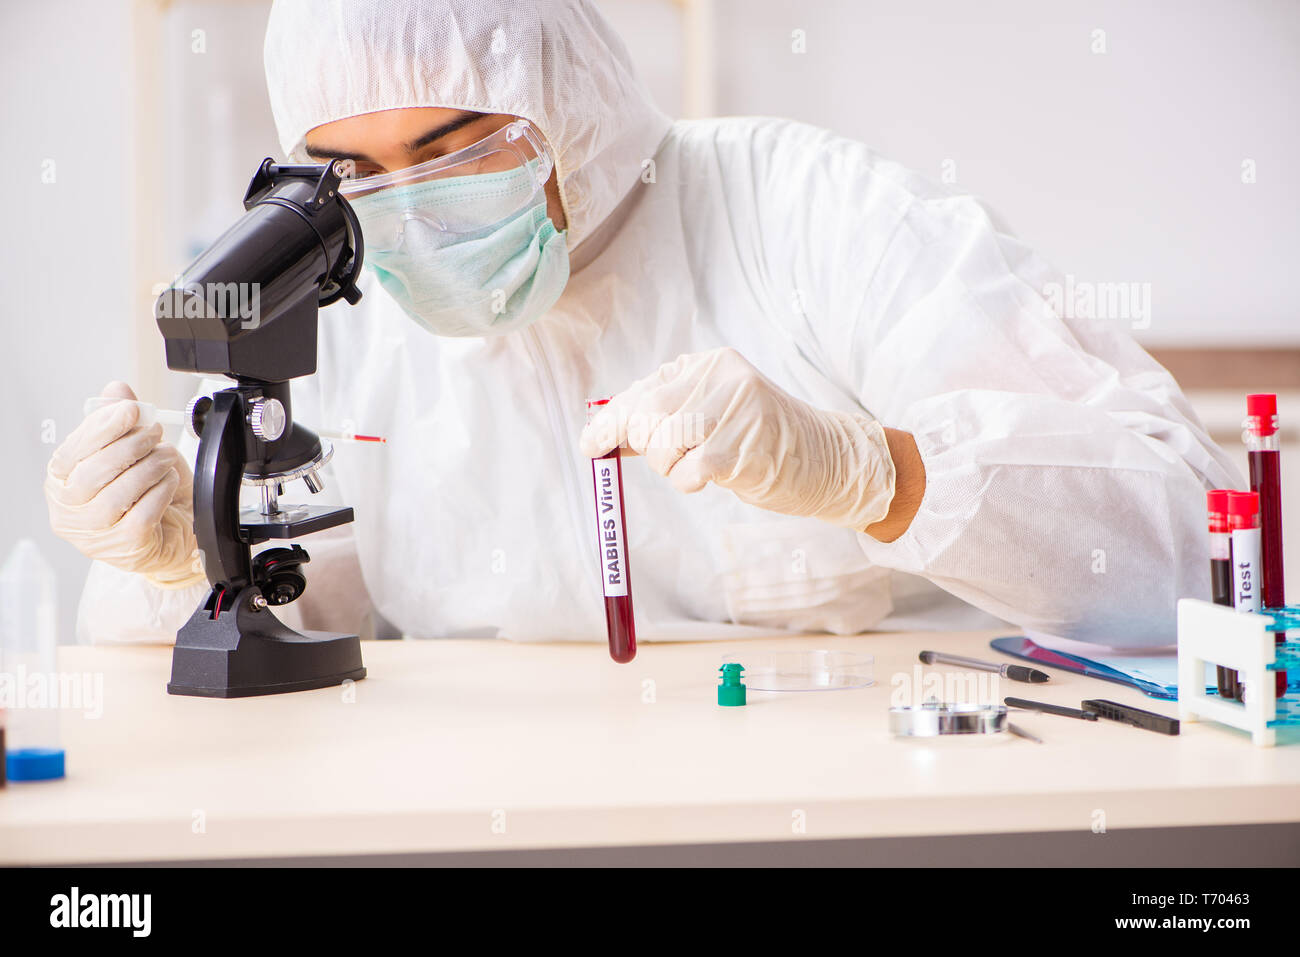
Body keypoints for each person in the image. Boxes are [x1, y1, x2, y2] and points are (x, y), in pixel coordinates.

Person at [45, 0, 1240, 649]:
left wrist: (879, 474)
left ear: (566, 99)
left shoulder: (813, 213)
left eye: (451, 149)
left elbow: (1197, 556)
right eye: (349, 167)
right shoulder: (353, 309)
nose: (400, 211)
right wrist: (179, 552)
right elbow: (317, 615)